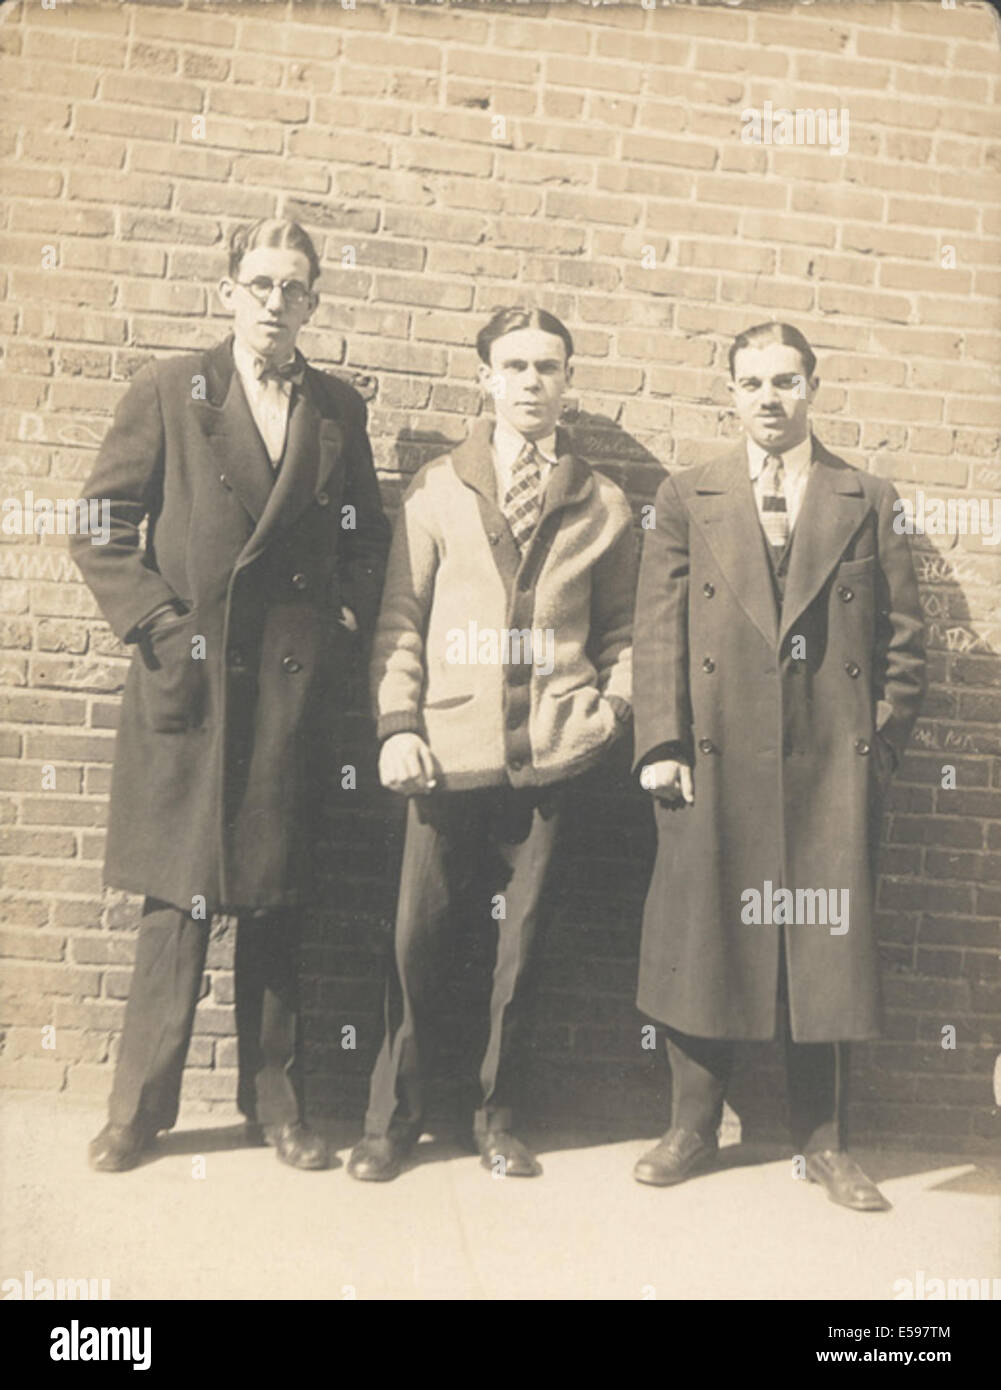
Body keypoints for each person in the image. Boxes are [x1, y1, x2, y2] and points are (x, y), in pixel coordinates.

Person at [71, 218, 389, 1172]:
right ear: (227, 293)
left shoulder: (337, 409)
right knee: (177, 905)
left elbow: (365, 536)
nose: (275, 304)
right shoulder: (173, 390)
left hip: (292, 698)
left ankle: (275, 1106)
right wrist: (161, 629)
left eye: (294, 289)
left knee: (277, 900)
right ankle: (138, 1112)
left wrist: (340, 629)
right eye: (260, 285)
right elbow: (99, 524)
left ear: (315, 304)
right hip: (193, 687)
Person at [631, 321, 926, 1211]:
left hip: (825, 767)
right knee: (704, 938)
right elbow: (656, 637)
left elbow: (905, 643)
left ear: (813, 387)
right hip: (712, 762)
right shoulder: (688, 494)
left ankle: (825, 1143)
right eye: (752, 382)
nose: (768, 398)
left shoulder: (864, 496)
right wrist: (661, 745)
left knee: (822, 951)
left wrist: (869, 749)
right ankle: (691, 1127)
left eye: (785, 381)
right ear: (729, 391)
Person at [348, 307, 636, 1182]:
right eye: (512, 367)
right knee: (418, 941)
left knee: (525, 952)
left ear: (567, 382)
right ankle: (390, 1123)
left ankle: (498, 1119)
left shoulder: (603, 502)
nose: (530, 383)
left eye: (547, 367)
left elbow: (626, 634)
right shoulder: (437, 488)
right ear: (484, 378)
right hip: (446, 755)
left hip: (551, 758)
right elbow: (399, 619)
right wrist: (398, 727)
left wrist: (609, 713)